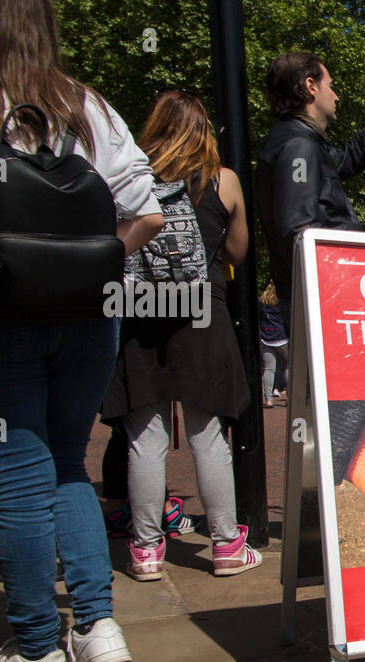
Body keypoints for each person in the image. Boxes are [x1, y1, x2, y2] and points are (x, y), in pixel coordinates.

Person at [0, 0, 164, 662]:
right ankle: (97, 626)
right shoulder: (84, 104)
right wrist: (89, 270)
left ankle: (37, 649)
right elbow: (148, 209)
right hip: (89, 316)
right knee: (68, 460)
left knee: (15, 477)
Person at [99, 91, 263, 582]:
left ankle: (146, 551)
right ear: (204, 130)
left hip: (140, 309)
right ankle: (227, 544)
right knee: (207, 434)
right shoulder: (223, 180)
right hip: (200, 310)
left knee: (143, 437)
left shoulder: (131, 180)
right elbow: (237, 252)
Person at [255, 51, 365, 307]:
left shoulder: (303, 142)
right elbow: (299, 231)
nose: (336, 95)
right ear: (311, 86)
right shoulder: (298, 147)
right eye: (330, 86)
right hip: (325, 296)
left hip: (322, 292)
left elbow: (347, 160)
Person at [258, 281, 288, 408]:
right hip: (282, 339)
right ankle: (289, 399)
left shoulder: (261, 302)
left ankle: (269, 400)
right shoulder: (282, 303)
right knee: (289, 367)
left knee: (269, 368)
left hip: (266, 339)